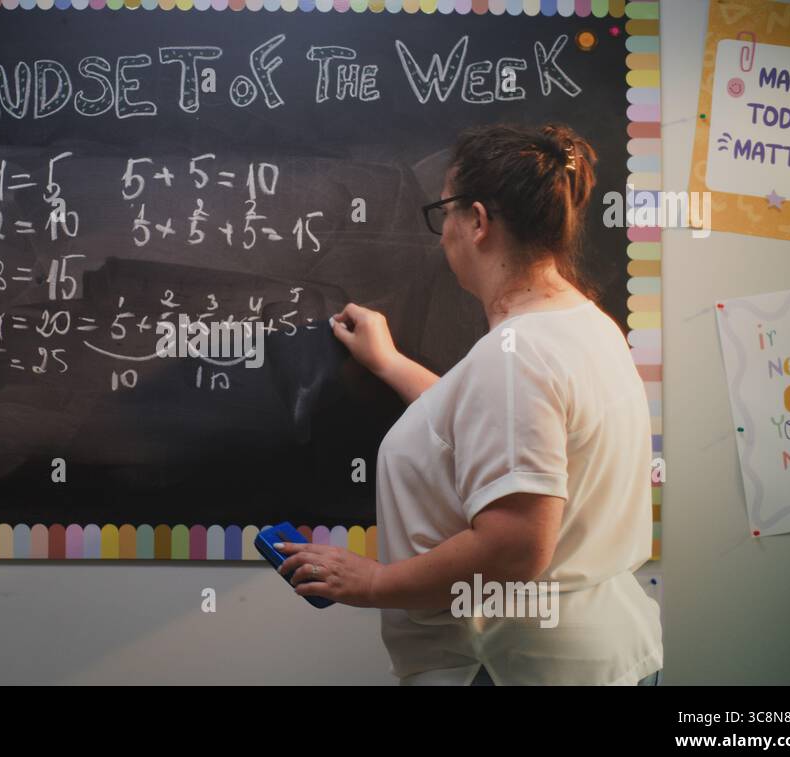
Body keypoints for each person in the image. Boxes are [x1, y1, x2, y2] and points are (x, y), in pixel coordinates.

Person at [274, 123, 663, 686]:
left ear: (478, 222)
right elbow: (495, 435)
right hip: (595, 653)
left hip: (515, 666)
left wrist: (374, 583)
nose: (441, 236)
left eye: (445, 214)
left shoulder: (517, 355)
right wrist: (389, 362)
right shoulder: (583, 326)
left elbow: (514, 547)